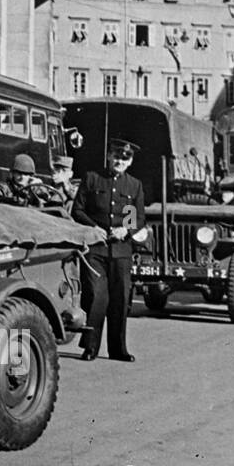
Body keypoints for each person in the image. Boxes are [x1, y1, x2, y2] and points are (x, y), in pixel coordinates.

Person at [70, 138, 145, 363]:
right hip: (96, 249)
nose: (120, 161)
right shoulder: (92, 178)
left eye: (125, 158)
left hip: (121, 251)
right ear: (109, 156)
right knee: (95, 297)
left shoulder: (134, 185)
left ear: (129, 162)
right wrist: (94, 228)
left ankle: (117, 348)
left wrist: (126, 230)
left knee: (121, 299)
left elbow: (137, 217)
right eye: (116, 156)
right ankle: (90, 346)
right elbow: (78, 210)